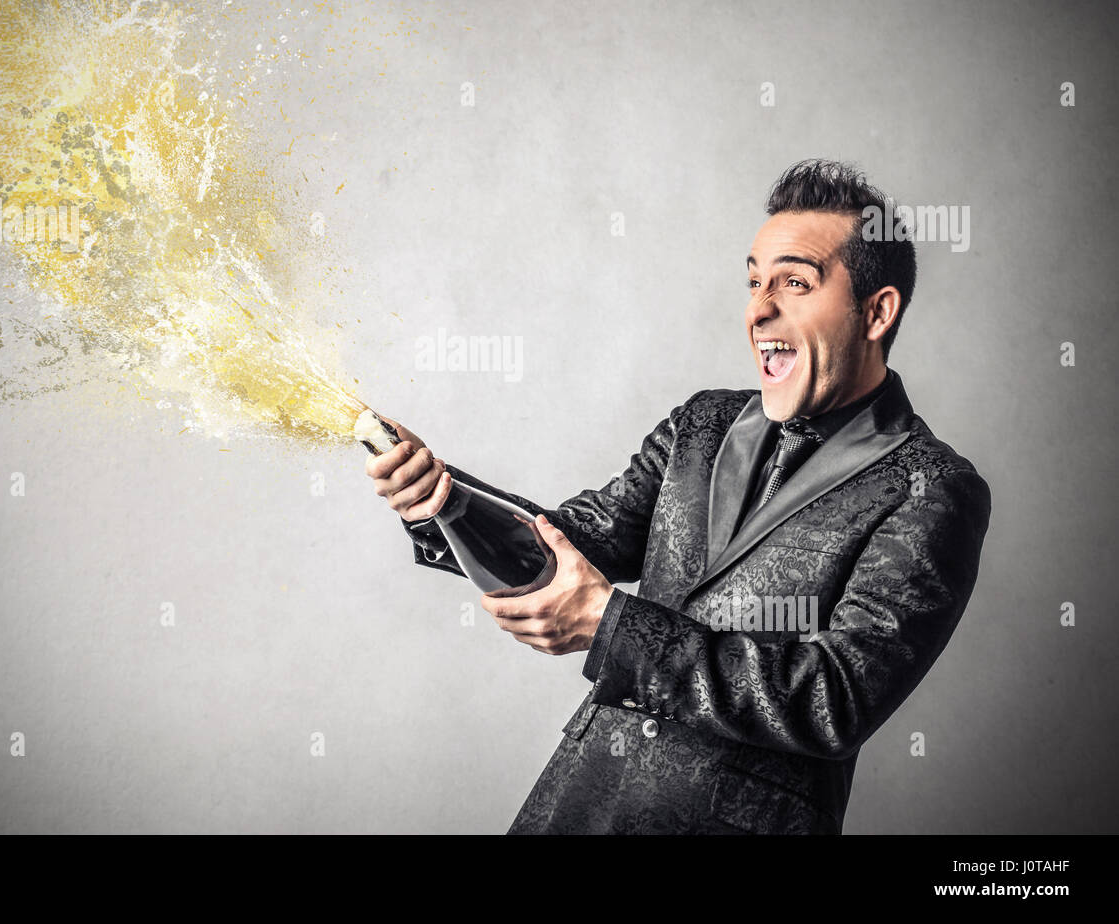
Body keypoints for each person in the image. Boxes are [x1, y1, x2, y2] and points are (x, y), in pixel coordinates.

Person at [365, 159, 992, 834]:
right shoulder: (702, 423)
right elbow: (575, 541)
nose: (758, 309)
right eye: (754, 282)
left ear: (876, 312)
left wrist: (610, 625)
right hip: (578, 805)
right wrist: (444, 498)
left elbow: (832, 698)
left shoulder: (933, 490)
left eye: (794, 282)